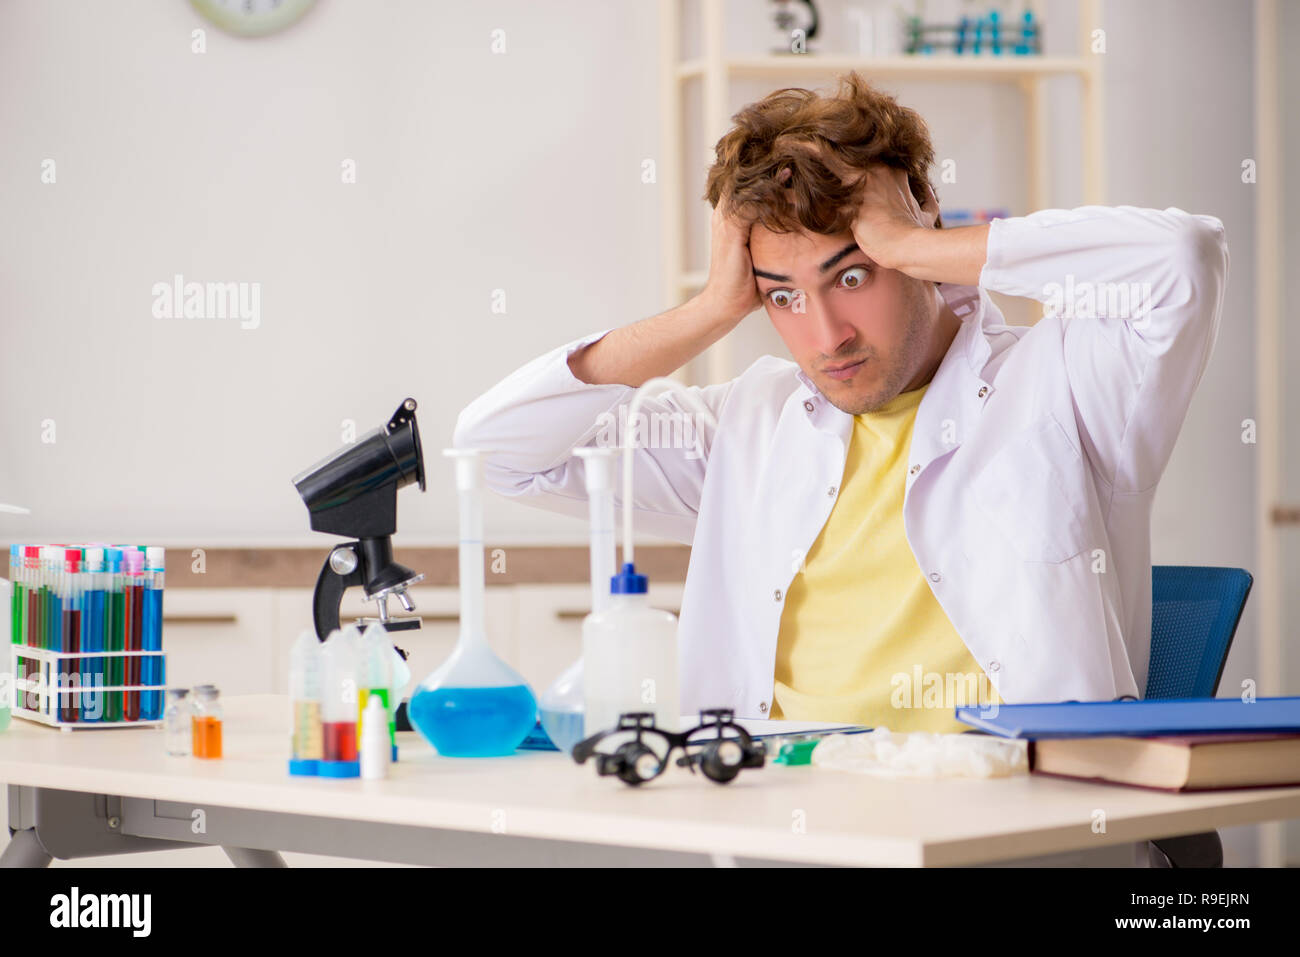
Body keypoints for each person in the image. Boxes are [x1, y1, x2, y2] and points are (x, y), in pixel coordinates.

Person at [454, 73, 1228, 733]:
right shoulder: (747, 427)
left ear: (923, 205)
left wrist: (916, 245)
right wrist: (713, 309)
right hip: (782, 825)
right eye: (783, 296)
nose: (826, 337)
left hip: (999, 829)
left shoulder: (1066, 386)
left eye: (852, 276)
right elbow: (500, 451)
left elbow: (1179, 261)